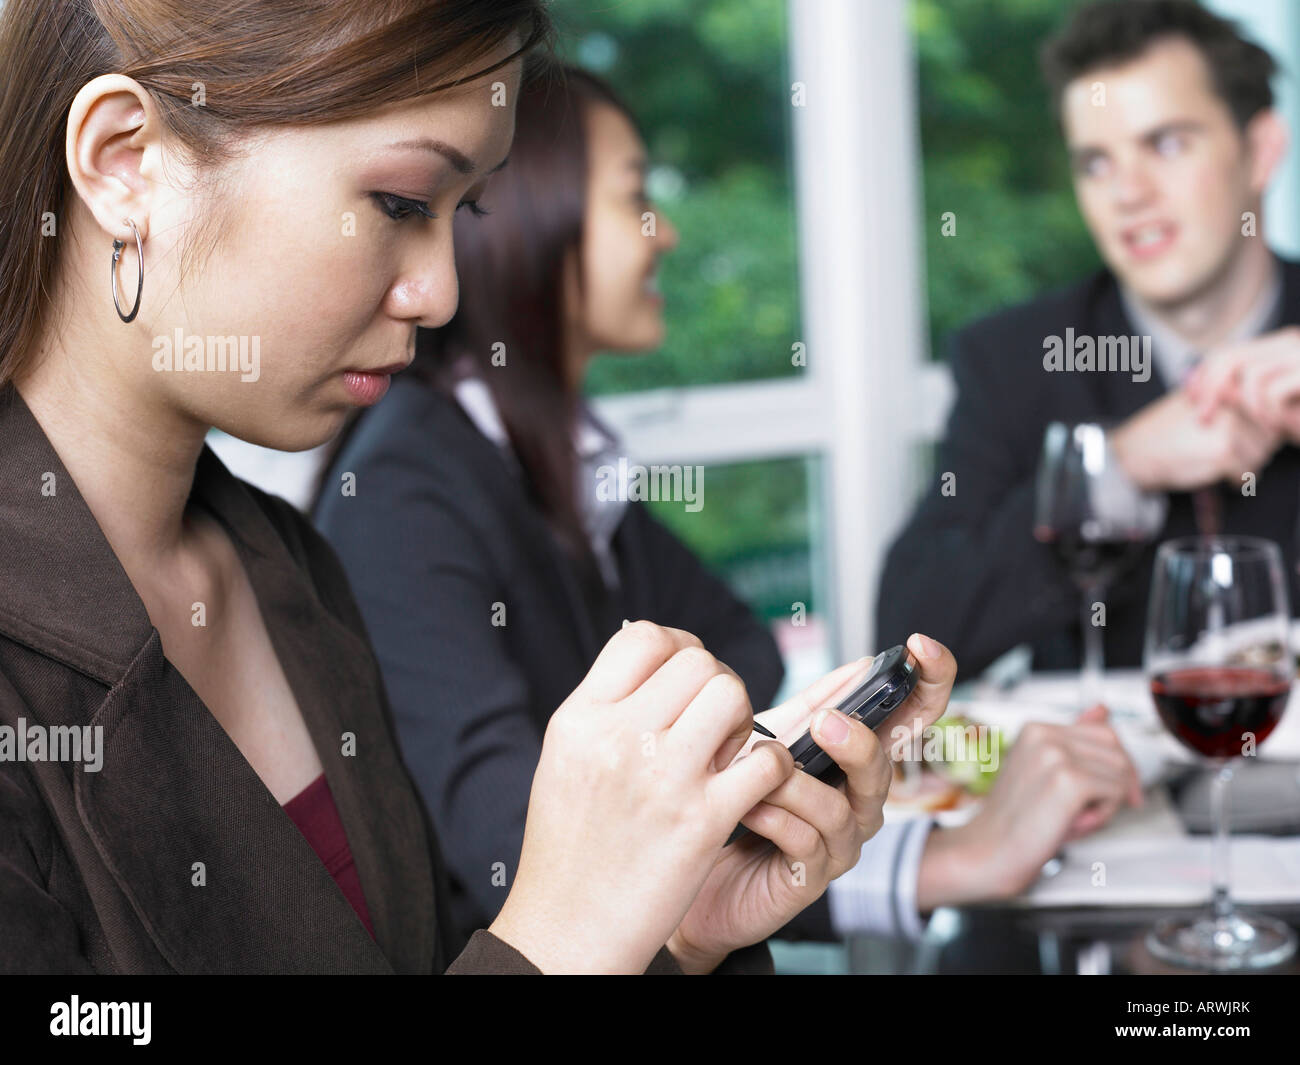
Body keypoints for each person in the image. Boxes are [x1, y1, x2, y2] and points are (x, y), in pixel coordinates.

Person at [0, 0, 954, 976]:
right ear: (125, 163)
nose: (443, 294)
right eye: (403, 202)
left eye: (466, 213)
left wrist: (668, 932)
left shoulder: (290, 573)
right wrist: (559, 938)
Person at [315, 62, 1144, 951]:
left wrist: (701, 770)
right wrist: (944, 859)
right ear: (526, 217)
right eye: (634, 199)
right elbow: (523, 856)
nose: (664, 232)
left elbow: (738, 638)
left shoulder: (552, 461)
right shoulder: (407, 493)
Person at [877, 0, 1300, 676]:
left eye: (1166, 144)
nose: (1128, 193)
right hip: (1118, 779)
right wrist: (1113, 467)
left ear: (1261, 151)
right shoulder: (1013, 360)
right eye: (1096, 163)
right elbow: (908, 630)